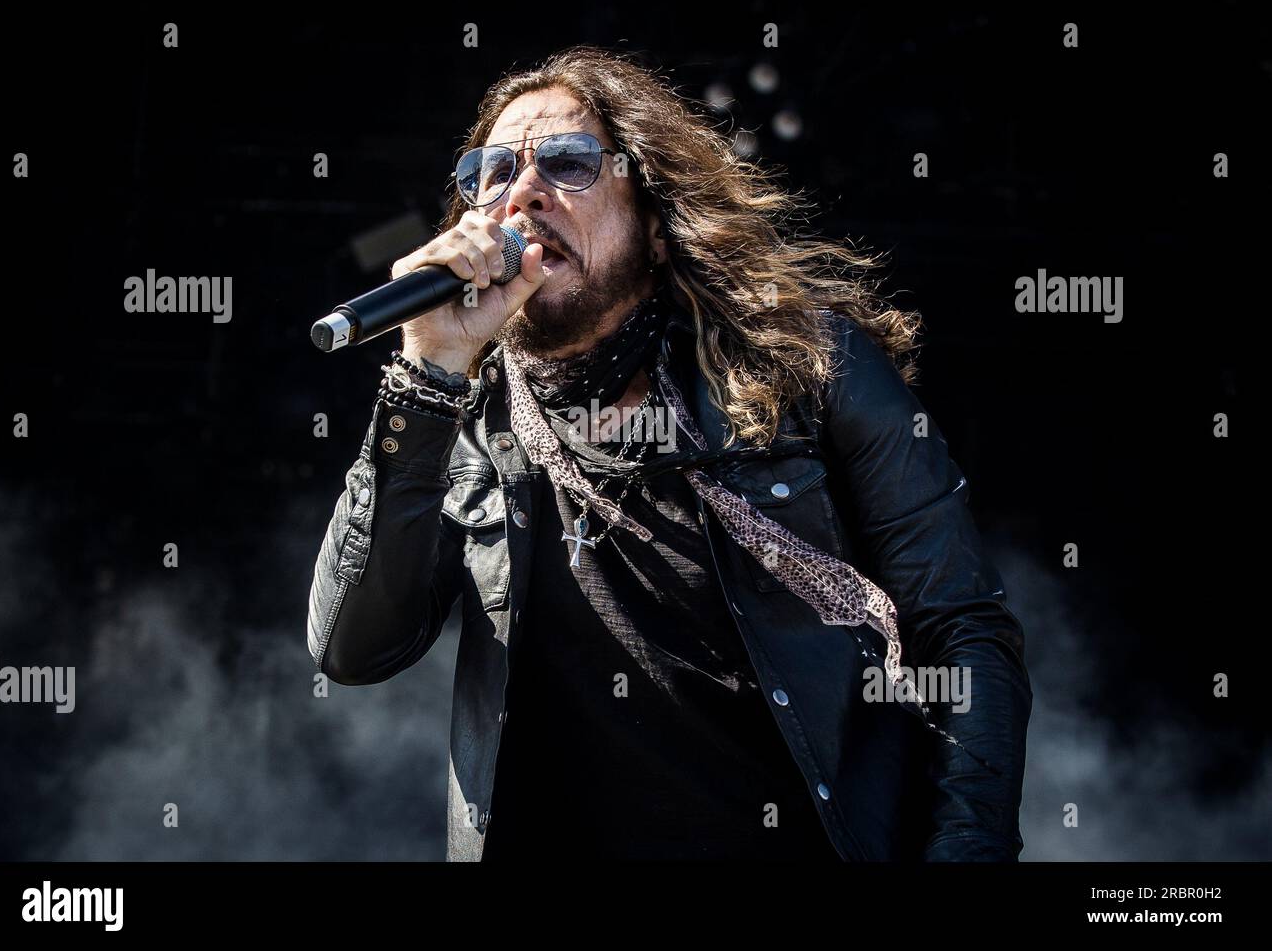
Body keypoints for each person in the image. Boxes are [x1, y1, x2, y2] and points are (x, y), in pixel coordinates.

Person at [306, 46, 1032, 861]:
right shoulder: (463, 414)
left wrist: (967, 853)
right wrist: (425, 373)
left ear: (654, 226)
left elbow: (961, 632)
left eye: (571, 164)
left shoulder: (808, 364)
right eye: (493, 170)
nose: (524, 191)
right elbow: (353, 648)